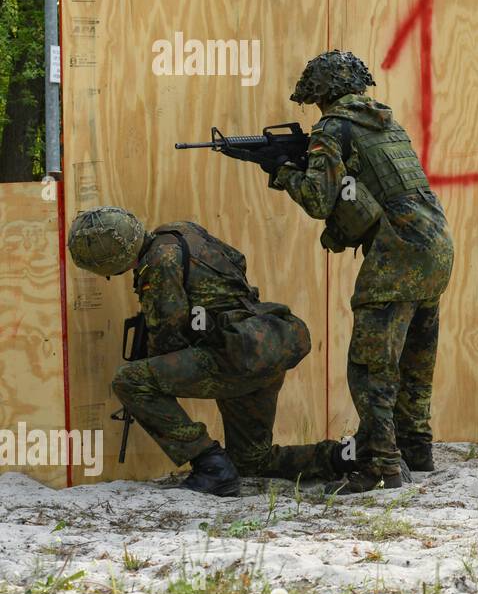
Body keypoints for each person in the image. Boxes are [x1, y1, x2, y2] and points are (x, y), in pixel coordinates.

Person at [67, 207, 350, 496]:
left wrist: (157, 355)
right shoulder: (180, 230)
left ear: (110, 264)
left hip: (230, 356)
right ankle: (343, 457)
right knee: (252, 461)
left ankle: (210, 465)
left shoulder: (157, 264)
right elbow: (238, 260)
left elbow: (169, 336)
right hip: (261, 344)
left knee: (130, 381)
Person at [269, 50, 454, 493]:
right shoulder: (386, 123)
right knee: (414, 356)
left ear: (322, 93)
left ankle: (381, 466)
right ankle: (415, 448)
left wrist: (282, 173)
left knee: (370, 365)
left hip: (398, 252)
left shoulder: (332, 128)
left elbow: (318, 199)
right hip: (436, 244)